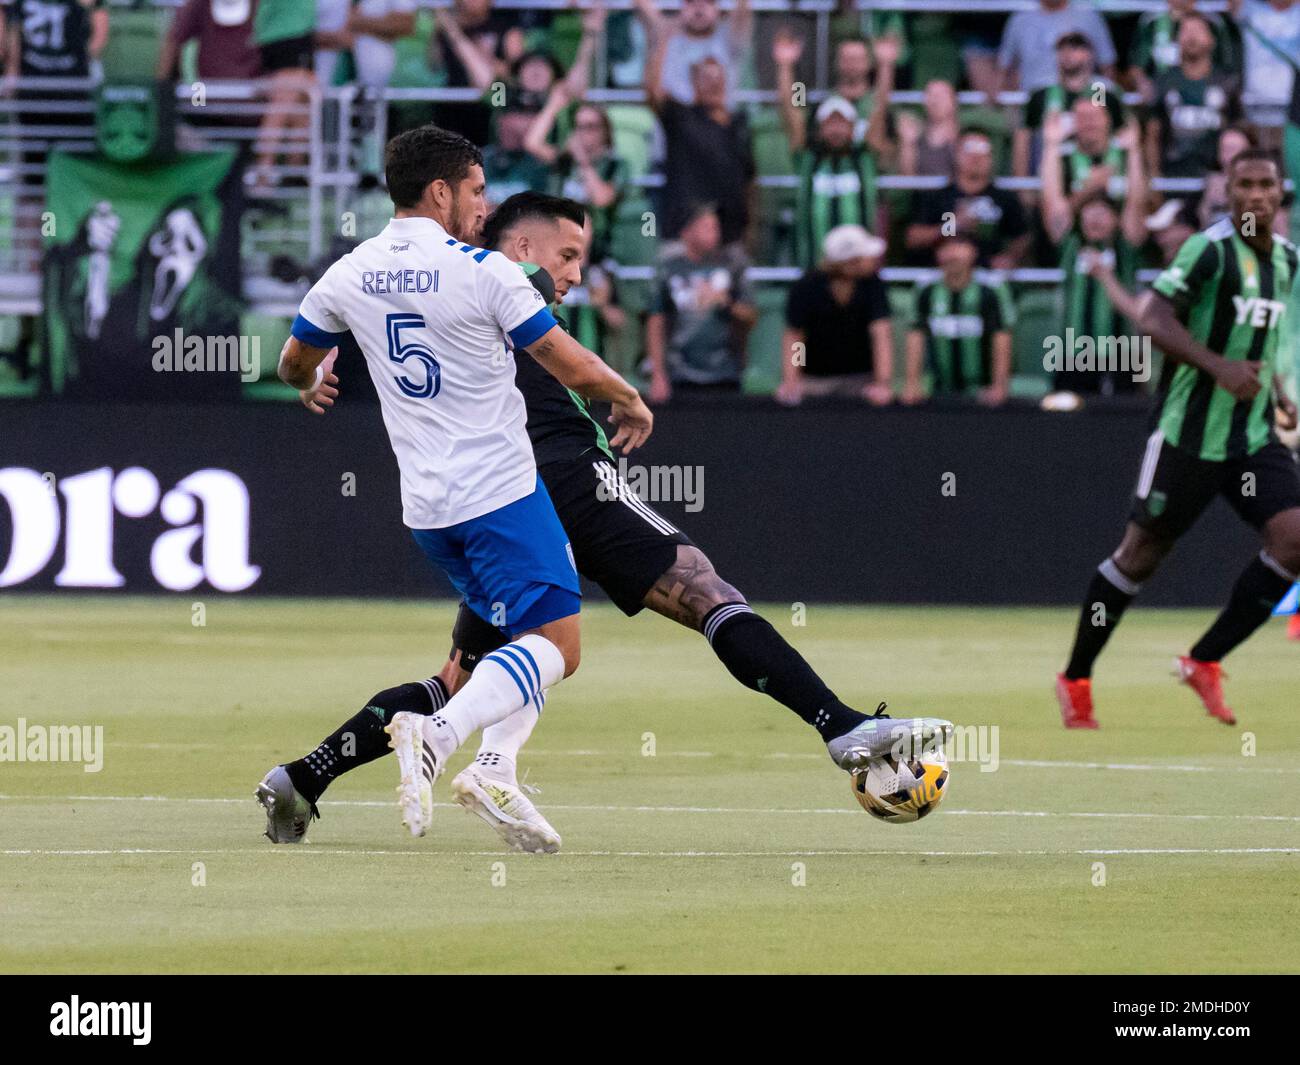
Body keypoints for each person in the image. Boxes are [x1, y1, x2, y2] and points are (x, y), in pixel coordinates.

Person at [260, 189, 953, 851]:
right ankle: (839, 726)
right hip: (559, 477)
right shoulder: (501, 272)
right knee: (704, 589)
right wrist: (625, 394)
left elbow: (311, 351)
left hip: (477, 498)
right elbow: (541, 312)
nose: (572, 274)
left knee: (465, 672)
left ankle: (311, 775)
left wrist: (311, 369)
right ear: (524, 244)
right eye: (567, 255)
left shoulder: (428, 286)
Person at [260, 128, 656, 840]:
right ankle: (441, 739)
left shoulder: (349, 271)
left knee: (486, 659)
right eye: (476, 190)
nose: (484, 204)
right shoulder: (482, 270)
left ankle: (480, 769)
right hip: (502, 492)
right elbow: (566, 361)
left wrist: (313, 381)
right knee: (558, 649)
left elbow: (292, 362)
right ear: (440, 192)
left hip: (427, 510)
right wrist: (627, 397)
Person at [1056, 150, 1300, 728]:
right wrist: (1218, 367)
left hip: (1250, 435)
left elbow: (1261, 340)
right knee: (1139, 557)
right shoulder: (1208, 250)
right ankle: (1076, 675)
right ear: (1229, 194)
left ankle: (1204, 660)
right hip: (1187, 435)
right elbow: (1151, 319)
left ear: (1281, 193)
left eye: (1267, 184)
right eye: (1244, 185)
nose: (1256, 196)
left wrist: (1278, 389)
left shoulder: (1288, 262)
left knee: (1295, 539)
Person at [773, 29, 896, 266]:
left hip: (859, 268)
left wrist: (885, 66)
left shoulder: (864, 156)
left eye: (842, 123)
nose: (836, 129)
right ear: (819, 128)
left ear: (853, 127)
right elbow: (792, 110)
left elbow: (880, 108)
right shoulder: (809, 156)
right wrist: (786, 66)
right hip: (815, 266)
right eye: (830, 123)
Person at [643, 22, 755, 249]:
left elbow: (750, 181)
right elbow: (652, 91)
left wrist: (751, 227)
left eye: (717, 77)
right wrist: (662, 43)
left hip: (730, 233)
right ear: (694, 83)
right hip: (683, 232)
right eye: (706, 77)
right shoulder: (680, 116)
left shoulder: (739, 123)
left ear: (725, 81)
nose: (713, 83)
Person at [644, 202, 757, 403]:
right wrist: (658, 374)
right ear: (687, 231)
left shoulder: (733, 264)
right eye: (707, 227)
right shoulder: (668, 267)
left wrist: (726, 303)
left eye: (716, 227)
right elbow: (656, 320)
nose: (715, 232)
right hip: (680, 374)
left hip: (726, 373)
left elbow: (751, 316)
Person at [777, 224, 894, 405]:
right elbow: (796, 337)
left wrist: (882, 383)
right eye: (866, 256)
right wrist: (792, 380)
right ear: (850, 262)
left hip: (861, 382)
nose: (874, 259)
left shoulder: (873, 285)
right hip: (814, 382)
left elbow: (881, 334)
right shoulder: (805, 287)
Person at [904, 232, 1014, 406]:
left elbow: (1002, 337)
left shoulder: (992, 288)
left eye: (959, 245)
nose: (952, 253)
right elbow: (915, 336)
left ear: (974, 251)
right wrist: (912, 384)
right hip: (938, 392)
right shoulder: (925, 289)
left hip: (983, 394)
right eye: (945, 247)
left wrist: (999, 386)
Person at [906, 128, 1031, 269]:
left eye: (982, 150)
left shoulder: (1005, 199)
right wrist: (952, 225)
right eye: (969, 149)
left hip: (989, 279)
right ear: (956, 154)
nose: (976, 157)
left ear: (992, 158)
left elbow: (1022, 237)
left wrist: (1010, 257)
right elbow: (913, 238)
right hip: (943, 276)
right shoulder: (938, 197)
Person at [1144, 12, 1242, 180]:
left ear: (1212, 40)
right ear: (1176, 40)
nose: (1191, 36)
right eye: (1185, 31)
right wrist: (1154, 176)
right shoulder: (1163, 81)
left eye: (1198, 30)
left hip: (1216, 175)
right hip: (1173, 173)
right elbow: (1153, 133)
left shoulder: (1228, 82)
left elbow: (1236, 132)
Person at [632, 0, 750, 109]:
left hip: (718, 127)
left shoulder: (729, 39)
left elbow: (742, 9)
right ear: (681, 6)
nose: (699, 6)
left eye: (708, 1)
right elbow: (642, 4)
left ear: (718, 7)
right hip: (673, 125)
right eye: (690, 1)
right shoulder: (665, 35)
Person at [997, 0, 1118, 94]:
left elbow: (1107, 64)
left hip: (1086, 99)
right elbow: (1005, 67)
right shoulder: (1020, 19)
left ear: (1089, 52)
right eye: (1062, 48)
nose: (1068, 53)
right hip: (1035, 98)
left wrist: (1101, 107)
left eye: (1075, 46)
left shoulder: (1101, 87)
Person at [157, 0, 261, 83]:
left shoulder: (262, 6)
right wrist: (161, 91)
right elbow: (173, 41)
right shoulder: (199, 4)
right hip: (208, 91)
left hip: (252, 93)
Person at [897, 79, 959, 179]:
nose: (935, 100)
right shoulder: (914, 135)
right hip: (921, 193)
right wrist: (907, 144)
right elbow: (907, 178)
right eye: (931, 95)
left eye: (941, 95)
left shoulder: (963, 135)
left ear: (953, 101)